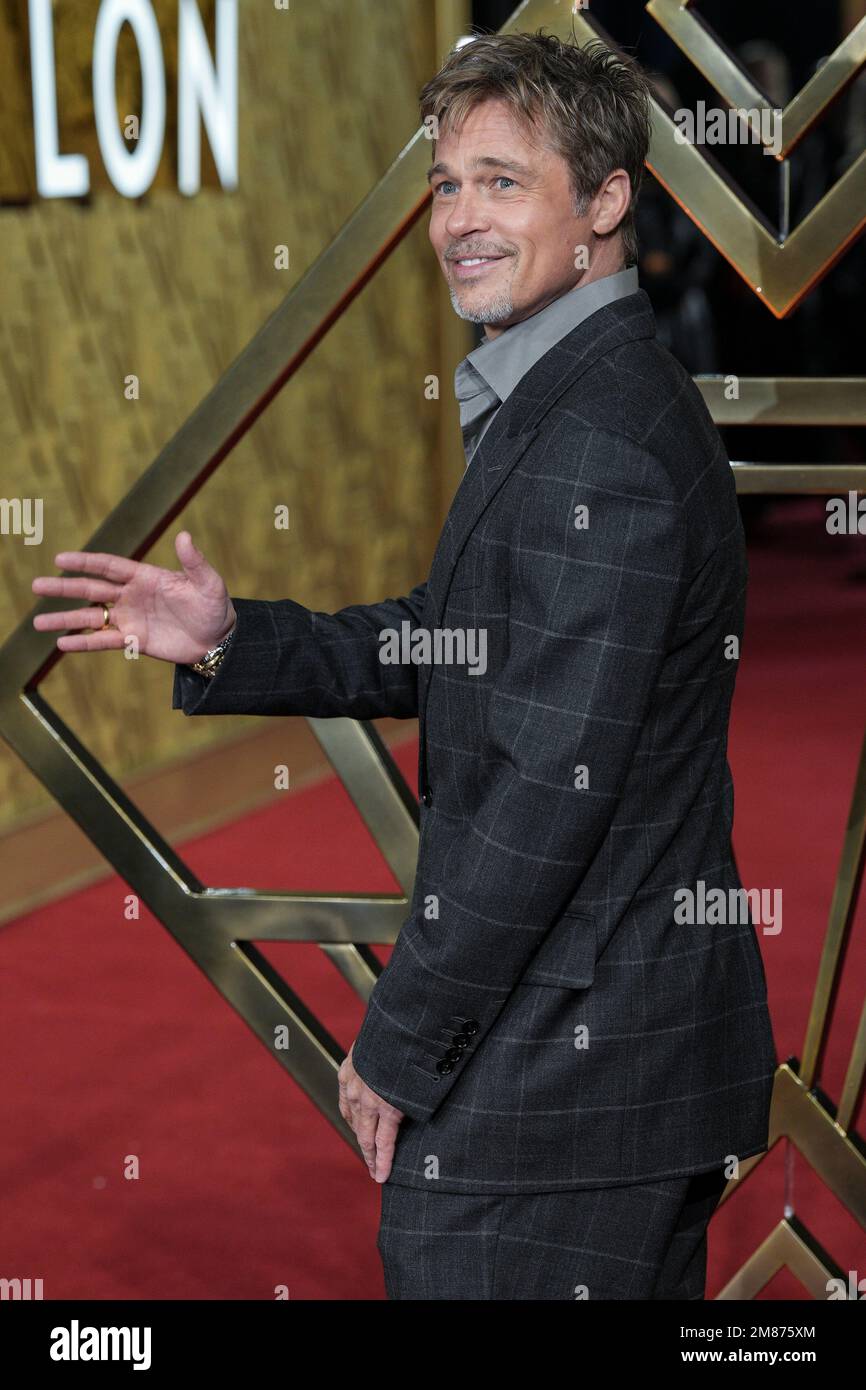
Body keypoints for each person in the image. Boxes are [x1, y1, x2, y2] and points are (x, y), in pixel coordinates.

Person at [31, 32, 777, 1300]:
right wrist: (230, 637)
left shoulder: (596, 436)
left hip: (564, 1087)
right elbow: (468, 642)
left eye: (501, 181)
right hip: (612, 1074)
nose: (457, 221)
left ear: (603, 203)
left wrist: (399, 1045)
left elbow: (545, 796)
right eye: (445, 184)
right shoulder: (580, 393)